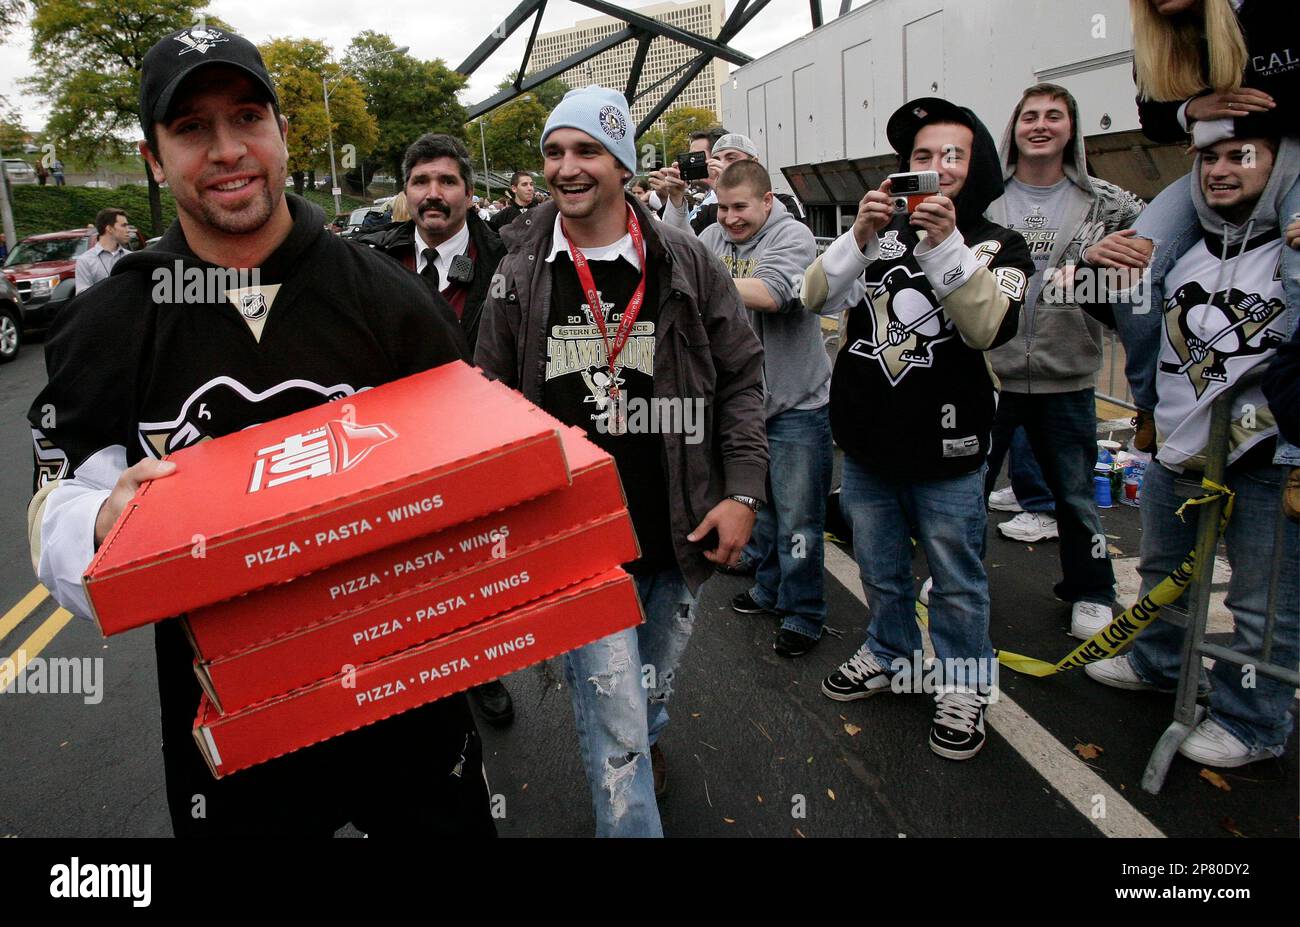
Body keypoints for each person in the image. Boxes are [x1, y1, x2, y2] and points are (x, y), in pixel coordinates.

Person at [26, 26, 493, 836]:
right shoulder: (110, 324)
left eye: (247, 116)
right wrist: (98, 522)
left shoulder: (389, 298)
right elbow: (51, 505)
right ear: (153, 157)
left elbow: (479, 470)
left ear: (282, 132)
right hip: (229, 716)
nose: (227, 149)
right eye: (191, 128)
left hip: (405, 689)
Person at [475, 86, 767, 835]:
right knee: (615, 722)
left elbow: (740, 375)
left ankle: (650, 729)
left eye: (587, 150)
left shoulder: (686, 260)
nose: (567, 168)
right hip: (578, 540)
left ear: (624, 164)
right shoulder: (519, 268)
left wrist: (742, 491)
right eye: (554, 151)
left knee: (649, 685)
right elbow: (489, 402)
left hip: (677, 524)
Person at [803, 97, 1033, 761]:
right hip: (869, 440)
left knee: (956, 577)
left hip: (952, 445)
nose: (935, 167)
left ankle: (962, 682)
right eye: (922, 156)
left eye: (952, 155)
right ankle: (888, 649)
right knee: (878, 565)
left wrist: (946, 245)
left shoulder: (1001, 243)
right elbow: (815, 296)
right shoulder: (877, 235)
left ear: (978, 165)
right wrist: (858, 236)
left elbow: (986, 325)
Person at [1082, 124, 1298, 768]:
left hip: (1266, 454)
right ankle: (1157, 661)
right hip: (1177, 442)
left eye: (1242, 156)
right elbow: (1115, 317)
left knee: (1263, 601)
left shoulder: (1291, 248)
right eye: (1209, 158)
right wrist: (1099, 271)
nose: (1221, 170)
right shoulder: (1176, 247)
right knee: (1163, 572)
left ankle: (1254, 722)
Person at [353, 133, 515, 726]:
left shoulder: (509, 261)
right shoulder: (372, 259)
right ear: (406, 194)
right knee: (406, 572)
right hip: (395, 449)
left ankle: (480, 668)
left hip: (477, 445)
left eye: (447, 182)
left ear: (470, 195)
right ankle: (415, 668)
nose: (433, 194)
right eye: (421, 183)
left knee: (474, 567)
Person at [983, 82, 1145, 638]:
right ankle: (959, 578)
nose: (1041, 125)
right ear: (1014, 127)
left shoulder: (1108, 201)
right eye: (1030, 115)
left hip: (1068, 373)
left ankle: (1092, 590)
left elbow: (1149, 259)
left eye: (1055, 116)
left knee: (1076, 498)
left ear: (1072, 128)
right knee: (965, 490)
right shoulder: (983, 197)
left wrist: (1097, 271)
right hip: (988, 374)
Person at [1122, 0, 1300, 463]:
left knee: (1299, 267)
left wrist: (1210, 123)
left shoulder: (1276, 12)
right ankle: (1147, 405)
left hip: (1293, 163)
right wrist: (1190, 112)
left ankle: (1296, 451)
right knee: (1133, 267)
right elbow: (1155, 120)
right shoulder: (1157, 40)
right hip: (1218, 162)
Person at [697, 159, 830, 656]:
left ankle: (804, 613)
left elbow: (772, 294)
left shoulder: (791, 236)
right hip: (744, 408)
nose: (730, 218)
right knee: (765, 510)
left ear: (767, 201)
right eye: (723, 208)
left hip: (797, 406)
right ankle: (772, 590)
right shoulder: (712, 239)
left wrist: (703, 282)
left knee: (800, 520)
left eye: (740, 207)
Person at [653, 132, 807, 235]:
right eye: (717, 159)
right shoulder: (709, 210)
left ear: (754, 163)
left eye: (731, 158)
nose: (723, 165)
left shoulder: (785, 202)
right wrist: (675, 197)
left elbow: (789, 237)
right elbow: (684, 245)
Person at [73, 207, 133, 293]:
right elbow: (82, 297)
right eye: (123, 225)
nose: (128, 230)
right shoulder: (85, 260)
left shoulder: (130, 258)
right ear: (109, 229)